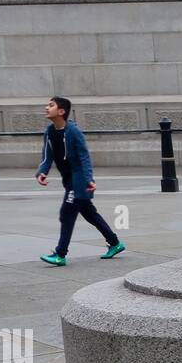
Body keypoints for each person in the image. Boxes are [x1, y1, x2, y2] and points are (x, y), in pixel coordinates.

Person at [36, 97, 125, 266]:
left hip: (78, 181)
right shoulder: (50, 131)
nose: (46, 107)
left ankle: (60, 254)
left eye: (51, 105)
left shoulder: (73, 132)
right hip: (68, 179)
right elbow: (47, 154)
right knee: (89, 213)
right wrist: (42, 171)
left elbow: (84, 157)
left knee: (67, 214)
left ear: (61, 111)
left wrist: (88, 179)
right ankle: (115, 243)